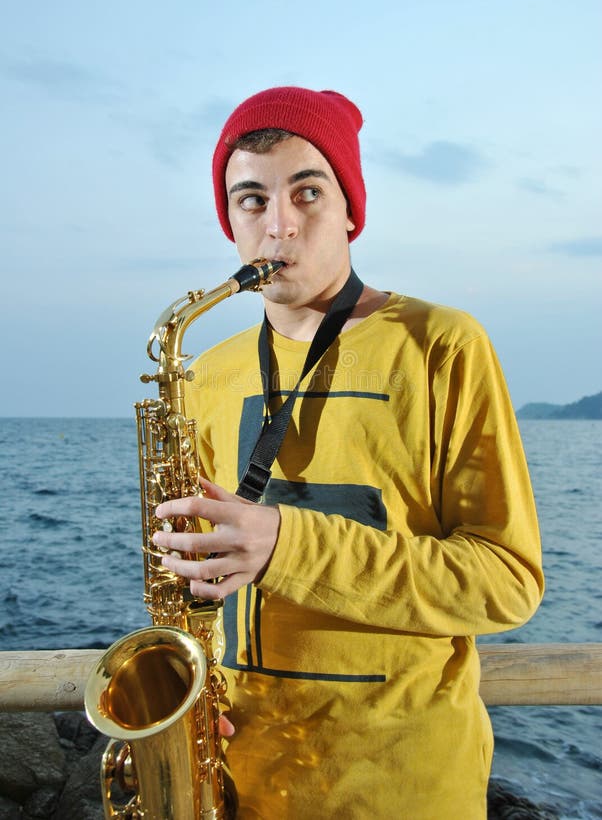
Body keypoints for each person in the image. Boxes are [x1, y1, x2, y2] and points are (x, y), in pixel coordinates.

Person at [152, 86, 544, 819]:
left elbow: (508, 582)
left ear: (351, 209)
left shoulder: (441, 345)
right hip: (239, 780)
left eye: (308, 193)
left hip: (406, 788)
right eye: (251, 200)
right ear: (229, 222)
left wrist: (286, 544)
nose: (280, 227)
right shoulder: (206, 374)